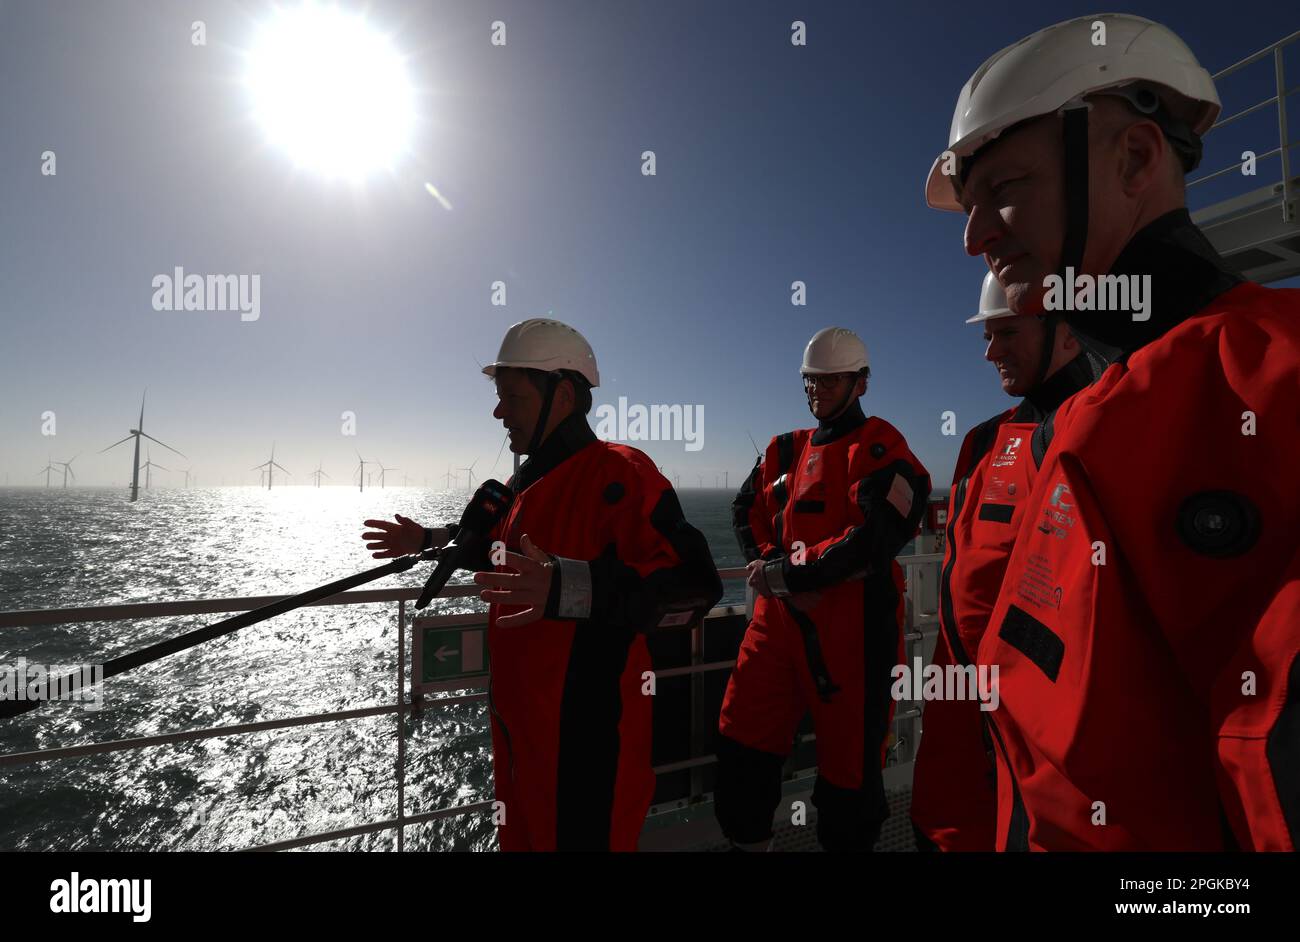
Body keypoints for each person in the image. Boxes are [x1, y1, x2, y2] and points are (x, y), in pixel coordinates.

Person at [925, 12, 1300, 850]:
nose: (973, 235)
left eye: (1004, 189)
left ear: (1133, 159)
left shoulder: (1269, 379)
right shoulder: (1097, 407)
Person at [363, 318, 722, 851]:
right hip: (519, 737)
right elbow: (500, 552)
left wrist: (565, 587)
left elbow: (695, 586)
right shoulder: (522, 484)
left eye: (512, 396)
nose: (498, 412)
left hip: (585, 753)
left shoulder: (621, 475)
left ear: (564, 395)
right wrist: (428, 538)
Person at [715, 327, 931, 851]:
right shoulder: (784, 449)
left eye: (830, 380)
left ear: (861, 384)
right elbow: (746, 509)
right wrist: (768, 564)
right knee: (742, 753)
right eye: (811, 380)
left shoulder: (883, 450)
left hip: (854, 634)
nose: (816, 390)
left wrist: (792, 575)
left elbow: (876, 537)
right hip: (776, 627)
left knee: (849, 783)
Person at [910, 272, 1102, 851]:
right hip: (958, 704)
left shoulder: (1102, 428)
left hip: (1041, 719)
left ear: (1065, 331)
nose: (991, 351)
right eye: (987, 335)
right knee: (941, 828)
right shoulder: (982, 441)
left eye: (1006, 332)